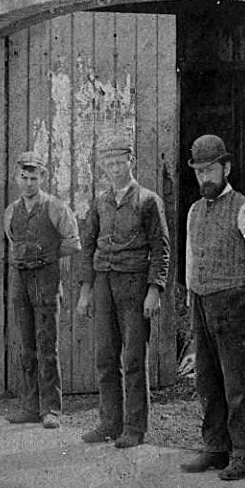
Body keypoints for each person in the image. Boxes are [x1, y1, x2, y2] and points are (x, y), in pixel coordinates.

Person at [180, 134, 245, 481]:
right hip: (202, 303)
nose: (204, 177)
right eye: (198, 171)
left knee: (238, 382)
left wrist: (241, 287)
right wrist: (194, 294)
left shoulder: (244, 209)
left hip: (232, 304)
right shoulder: (194, 211)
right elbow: (191, 258)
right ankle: (215, 448)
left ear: (226, 167)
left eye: (210, 170)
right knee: (206, 379)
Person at [77, 134, 170, 449]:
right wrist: (86, 291)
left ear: (132, 162)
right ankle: (109, 422)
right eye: (109, 163)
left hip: (133, 285)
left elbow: (161, 249)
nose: (115, 168)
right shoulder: (101, 202)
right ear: (103, 167)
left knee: (132, 358)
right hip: (104, 283)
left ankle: (134, 428)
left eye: (120, 162)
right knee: (105, 357)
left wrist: (154, 290)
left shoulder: (147, 201)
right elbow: (88, 244)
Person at [3, 149, 81, 429]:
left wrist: (46, 255)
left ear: (43, 178)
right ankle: (29, 406)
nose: (28, 183)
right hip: (21, 281)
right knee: (27, 347)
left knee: (47, 345)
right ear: (16, 178)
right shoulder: (11, 211)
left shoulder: (55, 207)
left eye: (33, 177)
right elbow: (13, 241)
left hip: (46, 281)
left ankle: (52, 410)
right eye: (23, 177)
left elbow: (73, 242)